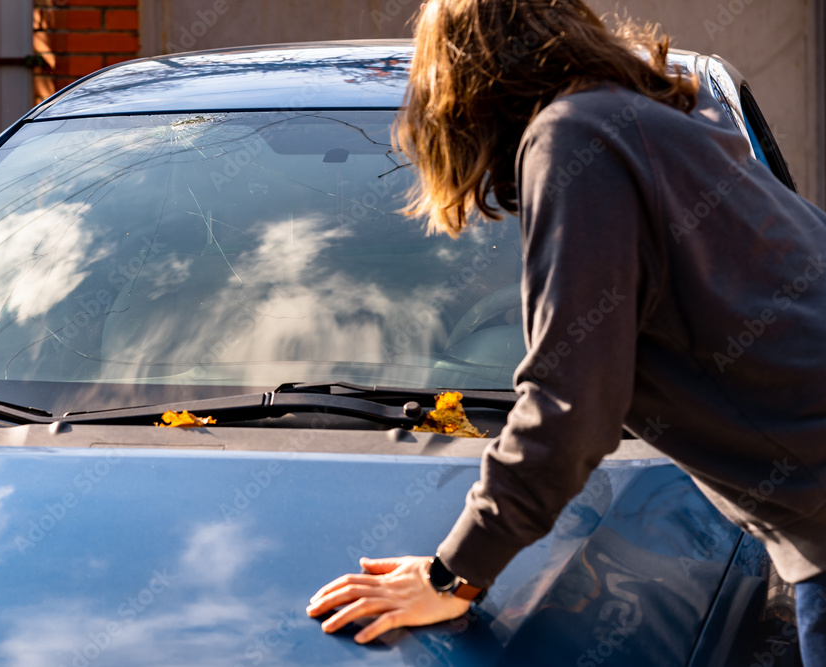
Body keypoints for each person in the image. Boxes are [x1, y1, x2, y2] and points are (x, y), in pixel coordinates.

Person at [304, 0, 826, 662]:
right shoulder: (652, 118)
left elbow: (569, 402)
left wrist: (453, 573)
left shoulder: (574, 136)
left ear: (466, 82)